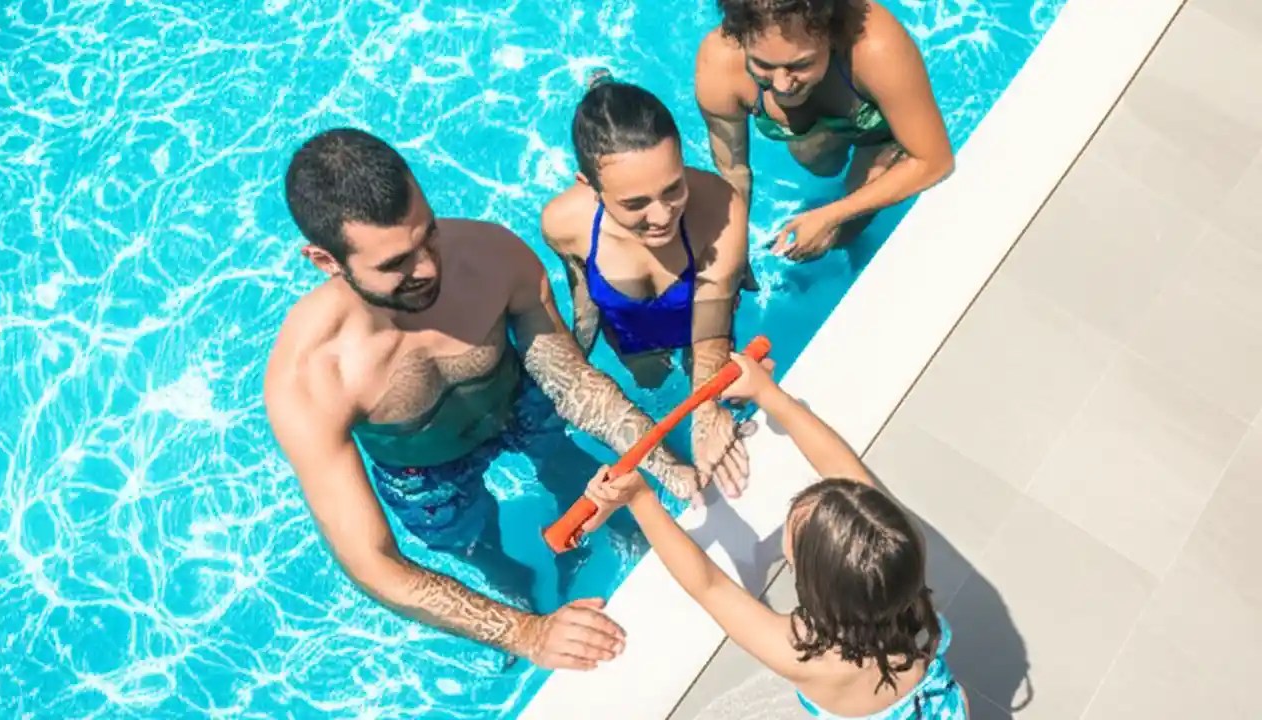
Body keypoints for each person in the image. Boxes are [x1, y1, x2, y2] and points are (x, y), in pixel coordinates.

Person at [264, 127, 703, 671]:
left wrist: (669, 464)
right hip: (426, 472)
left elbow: (571, 382)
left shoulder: (491, 258)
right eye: (395, 263)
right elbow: (372, 563)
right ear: (326, 262)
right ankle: (514, 584)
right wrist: (525, 633)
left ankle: (601, 527)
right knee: (478, 545)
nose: (426, 267)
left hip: (514, 399)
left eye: (428, 234)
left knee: (567, 465)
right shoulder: (312, 377)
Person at [585, 353, 969, 718]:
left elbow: (710, 587)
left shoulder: (809, 656)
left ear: (813, 582)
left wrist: (639, 500)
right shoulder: (898, 565)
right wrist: (771, 396)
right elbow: (846, 472)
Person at [541, 72, 752, 499]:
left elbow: (710, 327)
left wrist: (706, 412)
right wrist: (578, 355)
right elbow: (583, 293)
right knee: (651, 380)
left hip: (701, 316)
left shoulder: (719, 205)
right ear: (592, 189)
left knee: (711, 384)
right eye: (635, 204)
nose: (661, 216)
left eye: (673, 189)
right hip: (630, 329)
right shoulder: (565, 225)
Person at [696, 0, 955, 260]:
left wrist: (832, 216)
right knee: (818, 163)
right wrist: (734, 251)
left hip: (878, 136)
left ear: (832, 35)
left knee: (845, 231)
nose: (782, 85)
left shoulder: (874, 48)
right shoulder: (720, 68)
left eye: (800, 65)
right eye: (762, 65)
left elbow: (935, 161)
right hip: (817, 134)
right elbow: (734, 171)